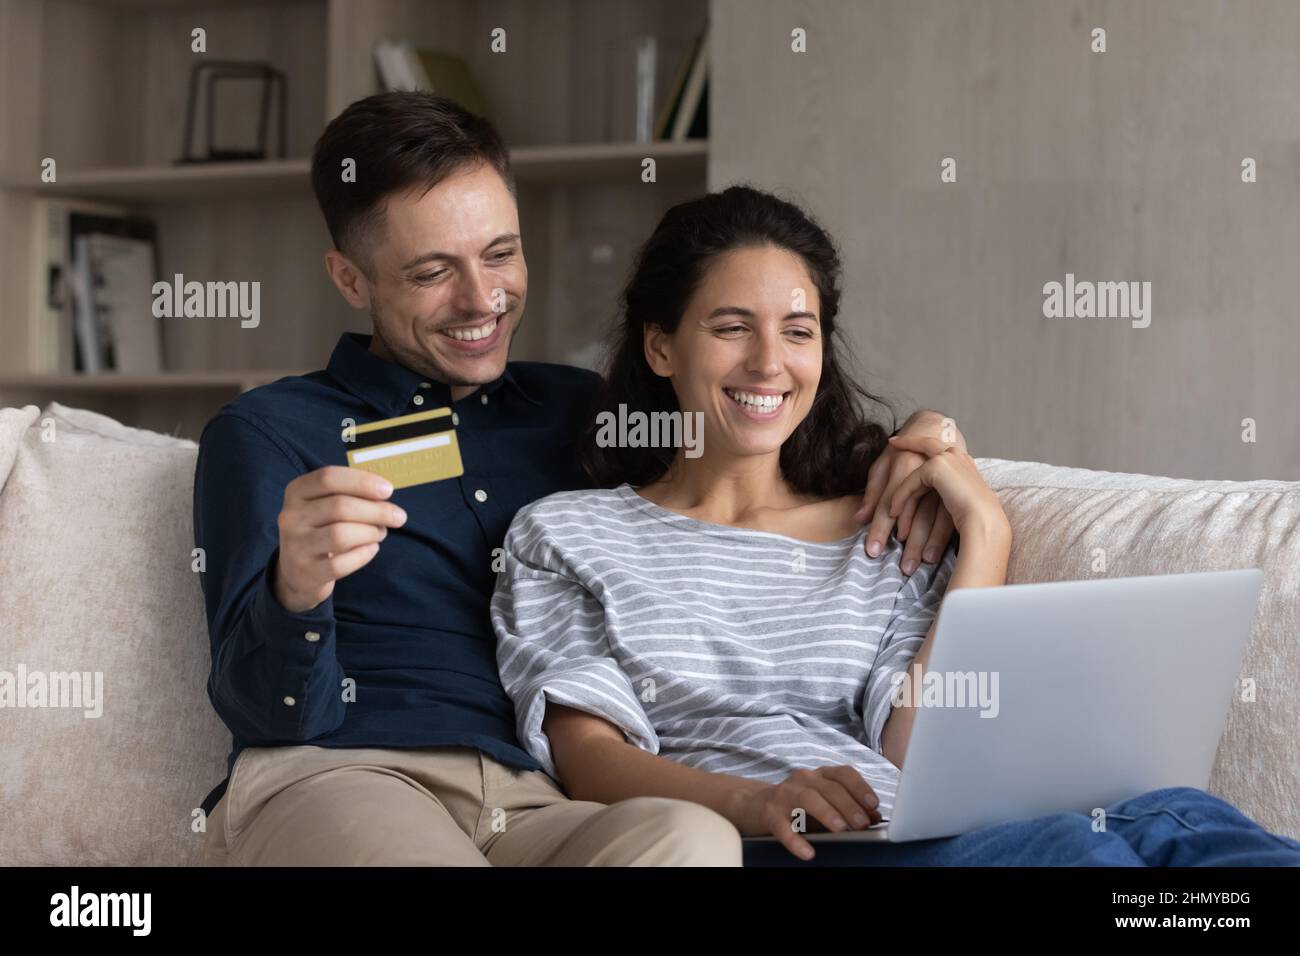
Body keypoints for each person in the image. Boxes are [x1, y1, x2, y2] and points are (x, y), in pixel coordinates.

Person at [194, 92, 961, 866]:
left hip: (536, 799)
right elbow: (266, 710)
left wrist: (929, 439)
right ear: (351, 279)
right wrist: (295, 593)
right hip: (346, 775)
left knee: (690, 840)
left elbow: (757, 434)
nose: (482, 300)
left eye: (500, 254)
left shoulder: (580, 410)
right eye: (433, 272)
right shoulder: (270, 433)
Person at [491, 184, 1300, 866]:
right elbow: (588, 758)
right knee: (1091, 856)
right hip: (779, 844)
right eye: (732, 326)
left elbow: (921, 750)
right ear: (661, 347)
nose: (770, 363)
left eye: (798, 332)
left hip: (916, 832)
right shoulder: (568, 535)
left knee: (1186, 830)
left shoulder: (878, 531)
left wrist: (985, 529)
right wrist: (761, 801)